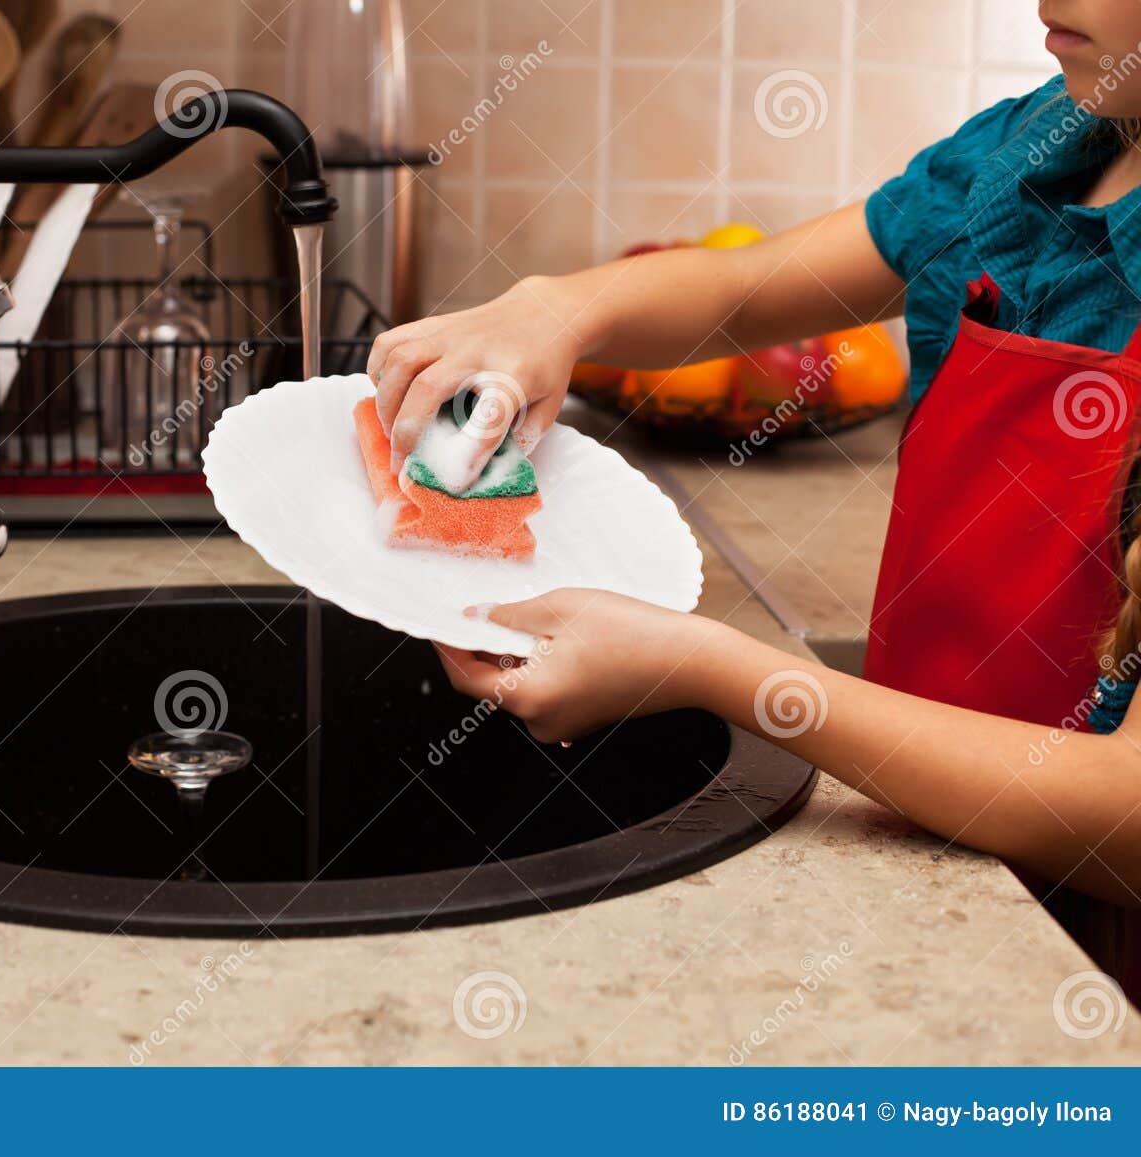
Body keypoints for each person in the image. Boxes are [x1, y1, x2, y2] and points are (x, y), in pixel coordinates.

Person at [366, 1, 1141, 906]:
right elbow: (746, 292)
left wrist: (710, 668)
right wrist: (556, 309)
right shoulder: (1036, 147)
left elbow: (1122, 813)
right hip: (929, 853)